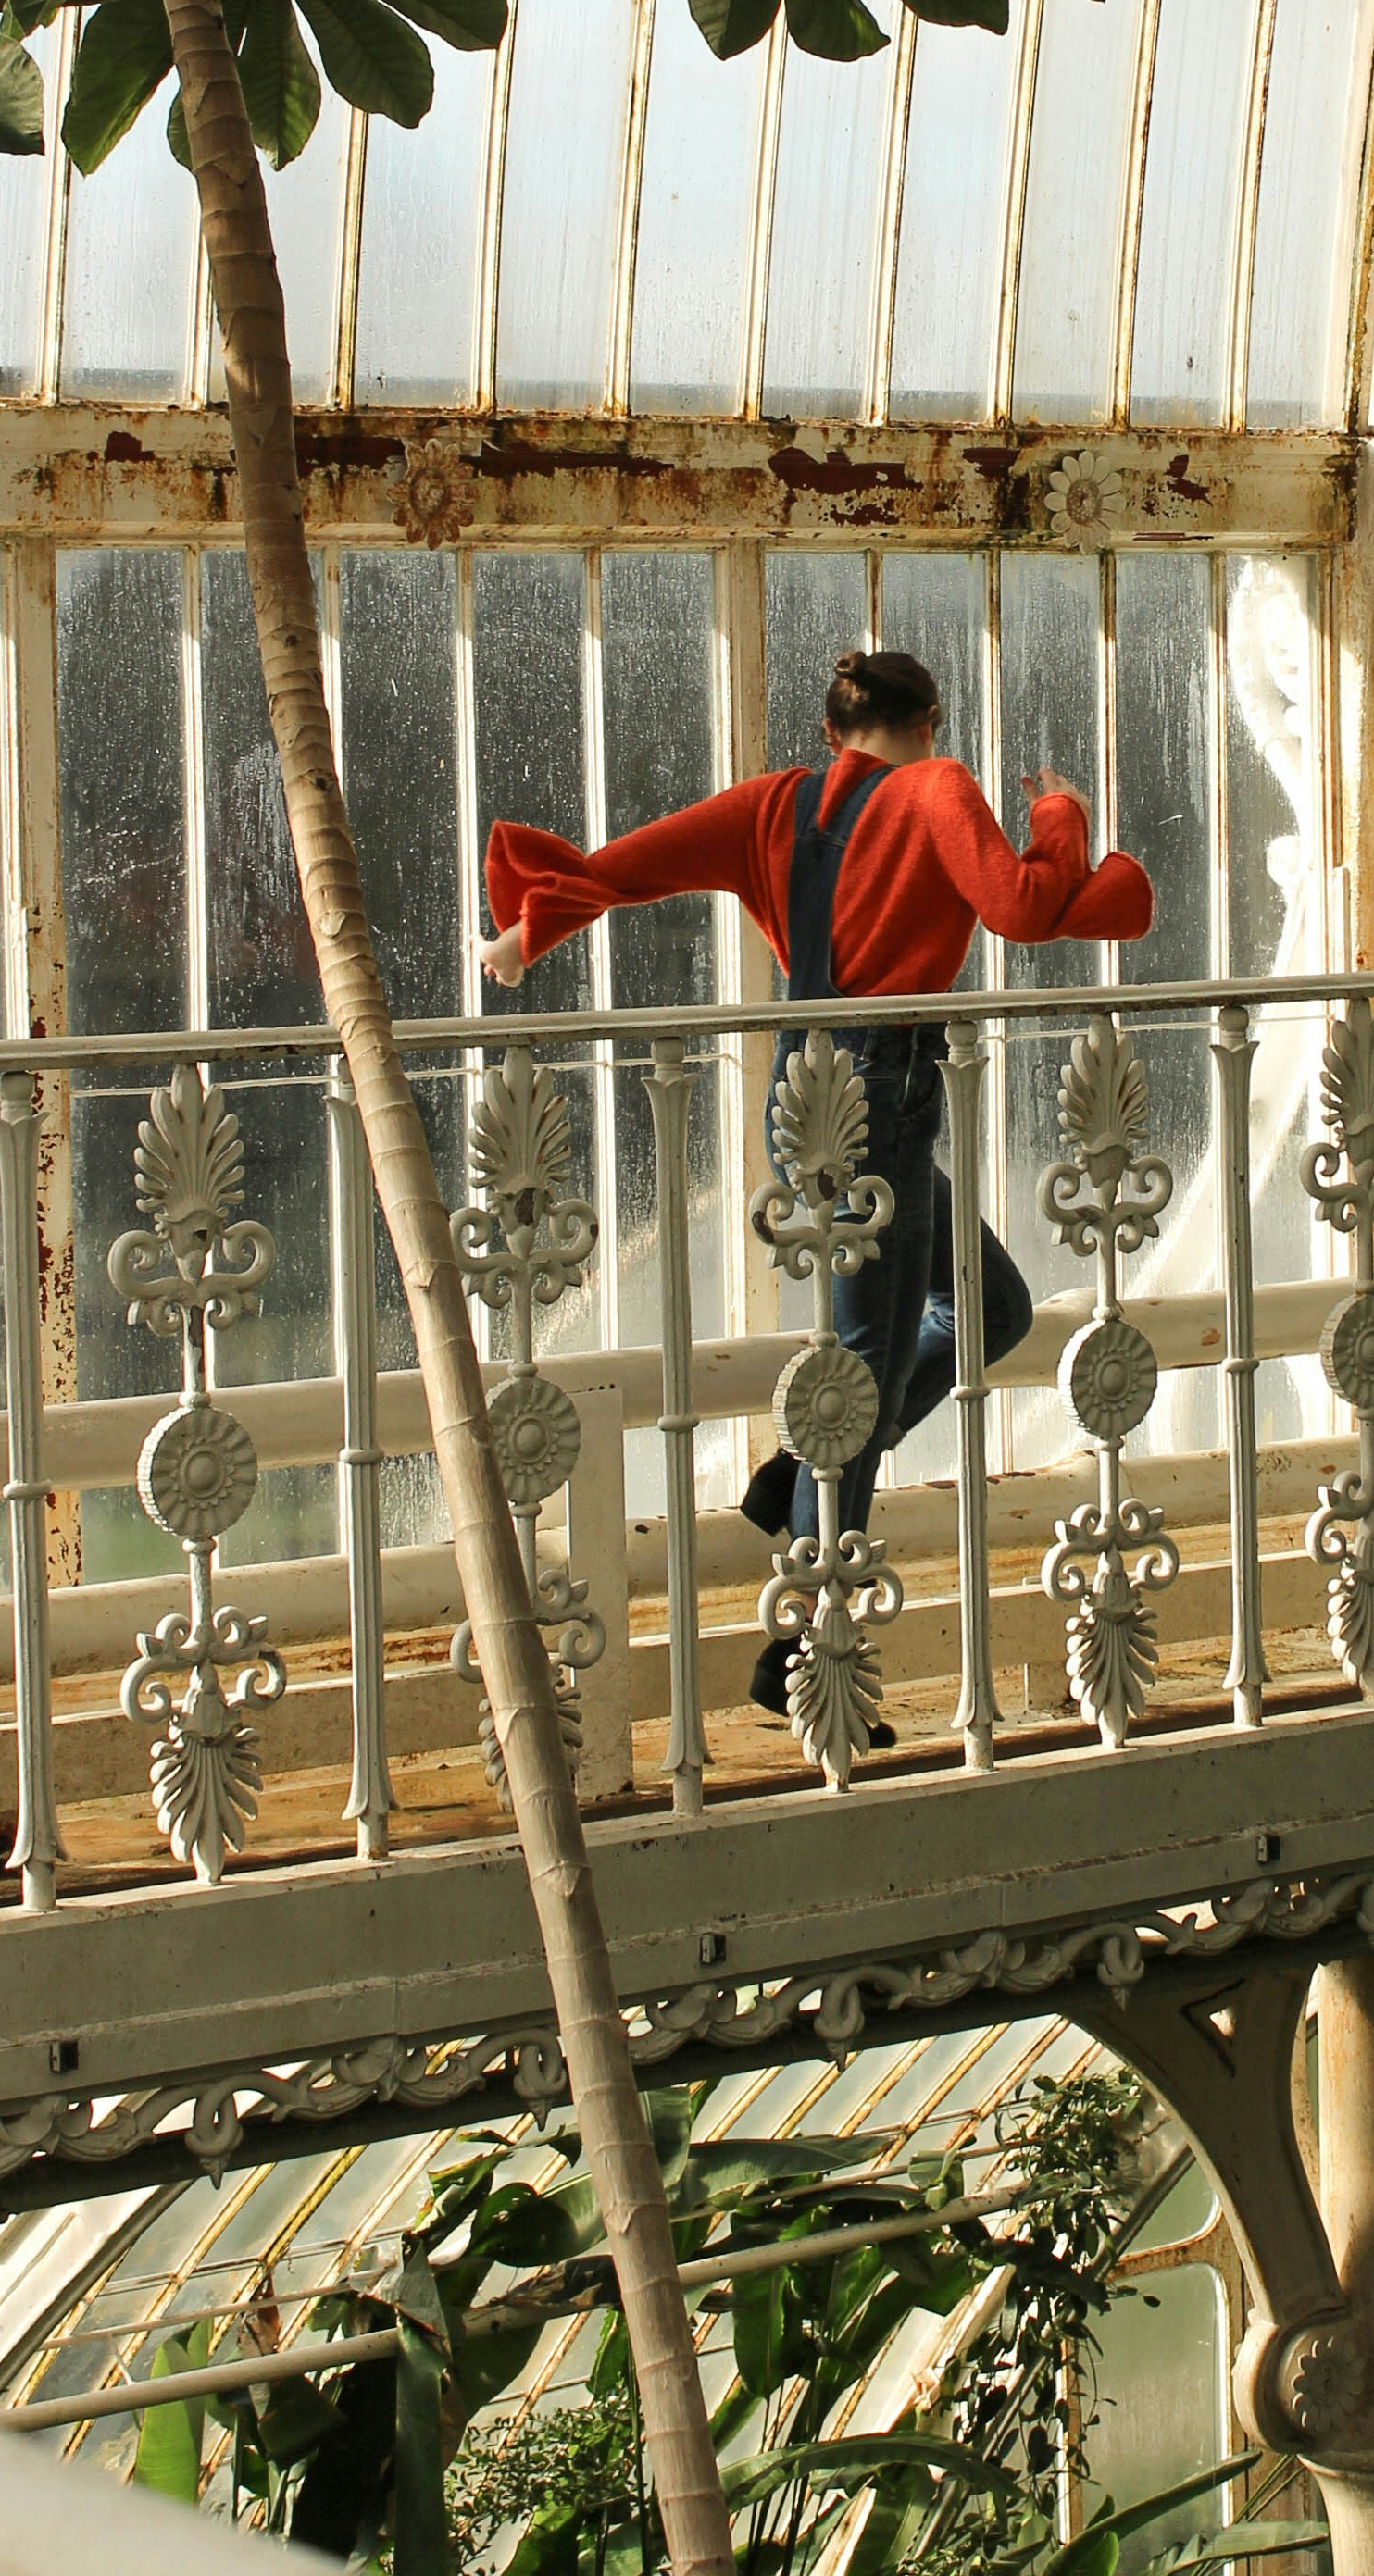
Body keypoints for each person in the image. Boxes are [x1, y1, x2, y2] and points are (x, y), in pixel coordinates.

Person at [479, 645, 1155, 1748]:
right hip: (882, 1104)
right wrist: (1065, 817)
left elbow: (631, 866)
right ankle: (804, 1653)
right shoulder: (937, 789)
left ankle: (797, 1473)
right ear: (928, 721)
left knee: (986, 1311)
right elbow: (1027, 907)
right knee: (861, 1385)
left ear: (836, 729)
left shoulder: (776, 805)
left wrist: (525, 932)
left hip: (802, 1102)